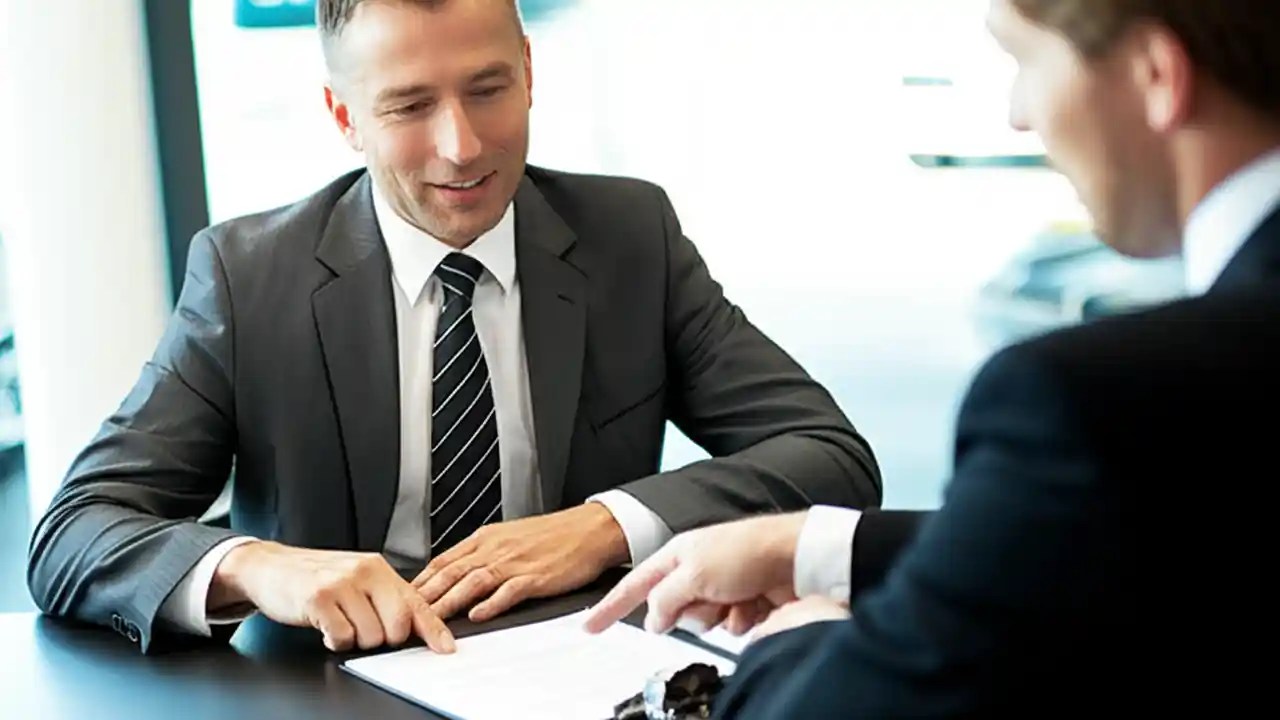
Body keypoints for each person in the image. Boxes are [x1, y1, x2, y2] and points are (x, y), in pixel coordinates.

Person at [26, 0, 880, 655]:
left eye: (488, 89)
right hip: (327, 691)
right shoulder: (249, 277)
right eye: (407, 107)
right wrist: (257, 566)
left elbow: (830, 456)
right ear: (343, 116)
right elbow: (74, 530)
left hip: (584, 672)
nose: (462, 146)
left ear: (530, 71)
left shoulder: (632, 237)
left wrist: (606, 524)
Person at [586, 0, 1280, 714]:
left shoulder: (1091, 398)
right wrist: (821, 549)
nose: (1018, 114)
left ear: (1156, 74)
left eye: (1025, 61)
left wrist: (797, 644)